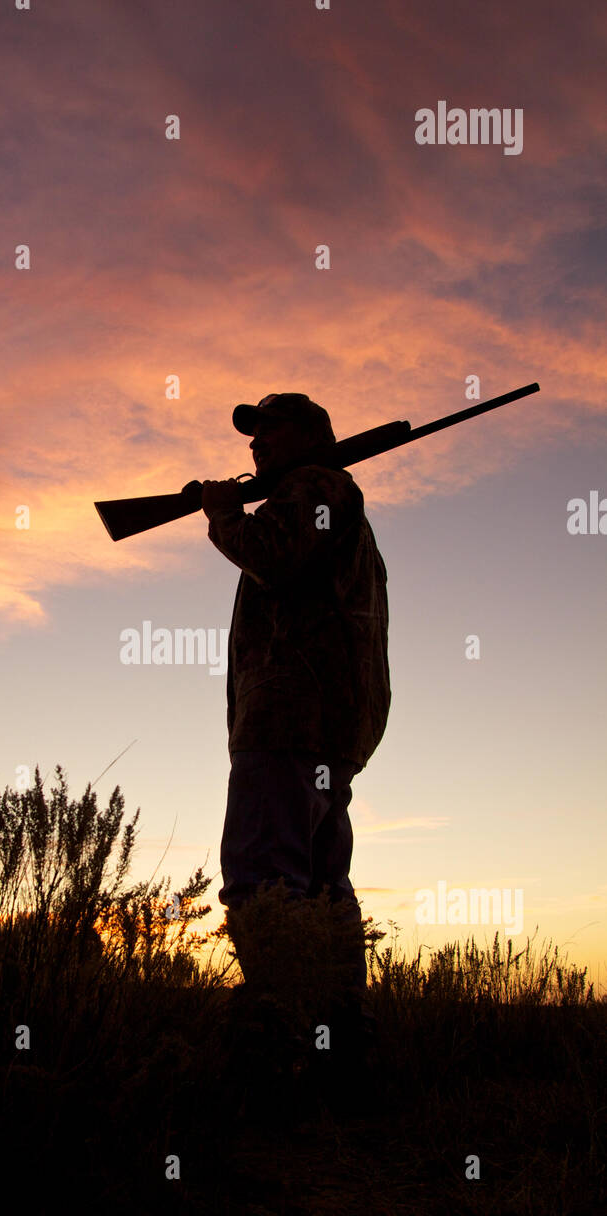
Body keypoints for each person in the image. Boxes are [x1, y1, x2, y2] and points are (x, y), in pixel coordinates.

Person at [201, 392, 391, 1025]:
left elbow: (273, 557)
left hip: (287, 719)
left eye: (269, 431)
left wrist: (225, 514)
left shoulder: (314, 486)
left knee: (264, 877)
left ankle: (282, 1027)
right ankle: (337, 1032)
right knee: (320, 884)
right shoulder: (334, 499)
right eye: (253, 435)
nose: (255, 445)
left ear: (309, 437)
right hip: (324, 728)